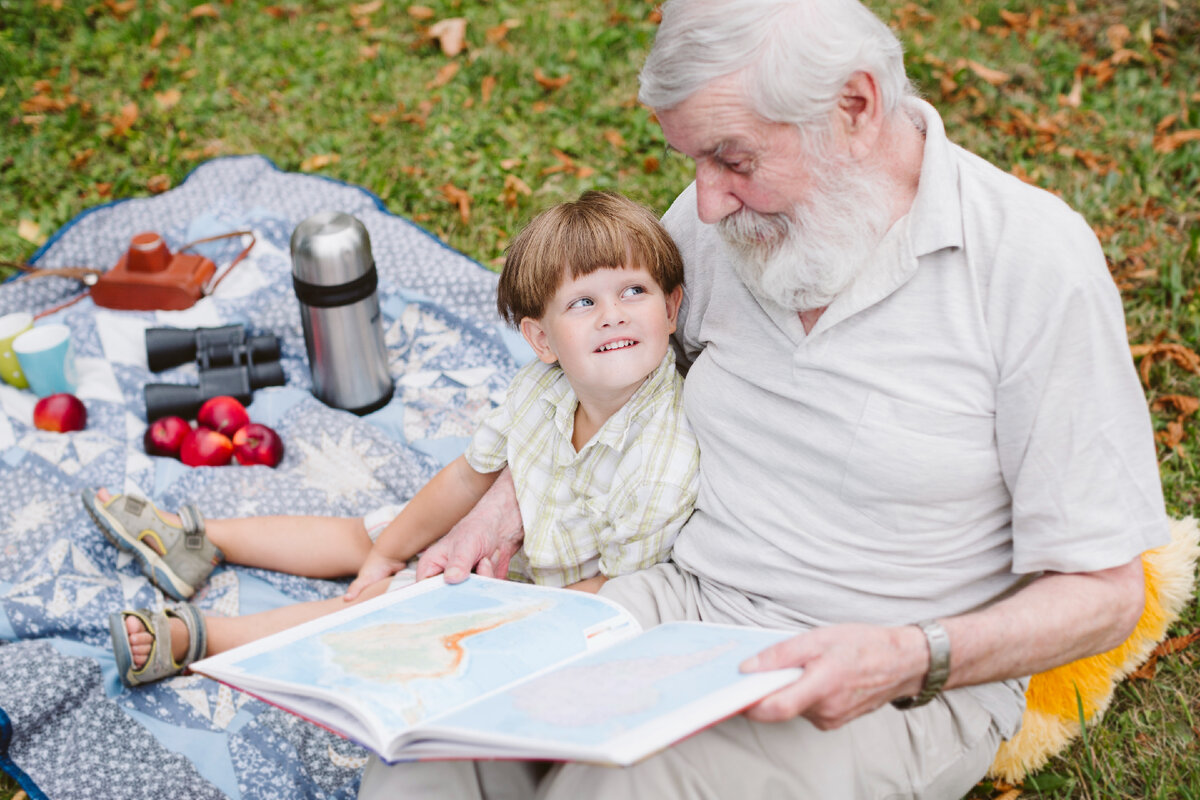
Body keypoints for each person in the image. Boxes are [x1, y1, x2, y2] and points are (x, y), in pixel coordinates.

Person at [360, 0, 1170, 797]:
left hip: (893, 681)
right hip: (685, 602)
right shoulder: (722, 221)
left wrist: (912, 654)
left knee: (628, 784)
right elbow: (612, 374)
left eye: (734, 160)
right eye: (695, 163)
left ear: (854, 106)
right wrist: (507, 500)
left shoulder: (1029, 264)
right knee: (435, 730)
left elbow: (1105, 594)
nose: (705, 205)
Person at [87, 190, 699, 686]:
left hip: (534, 592)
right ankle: (197, 539)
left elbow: (611, 597)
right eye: (584, 301)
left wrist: (470, 607)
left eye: (634, 291)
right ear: (542, 342)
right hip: (509, 537)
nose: (612, 314)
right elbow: (467, 476)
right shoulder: (541, 389)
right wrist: (388, 549)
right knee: (370, 531)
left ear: (671, 309)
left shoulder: (659, 464)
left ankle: (201, 637)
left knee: (372, 611)